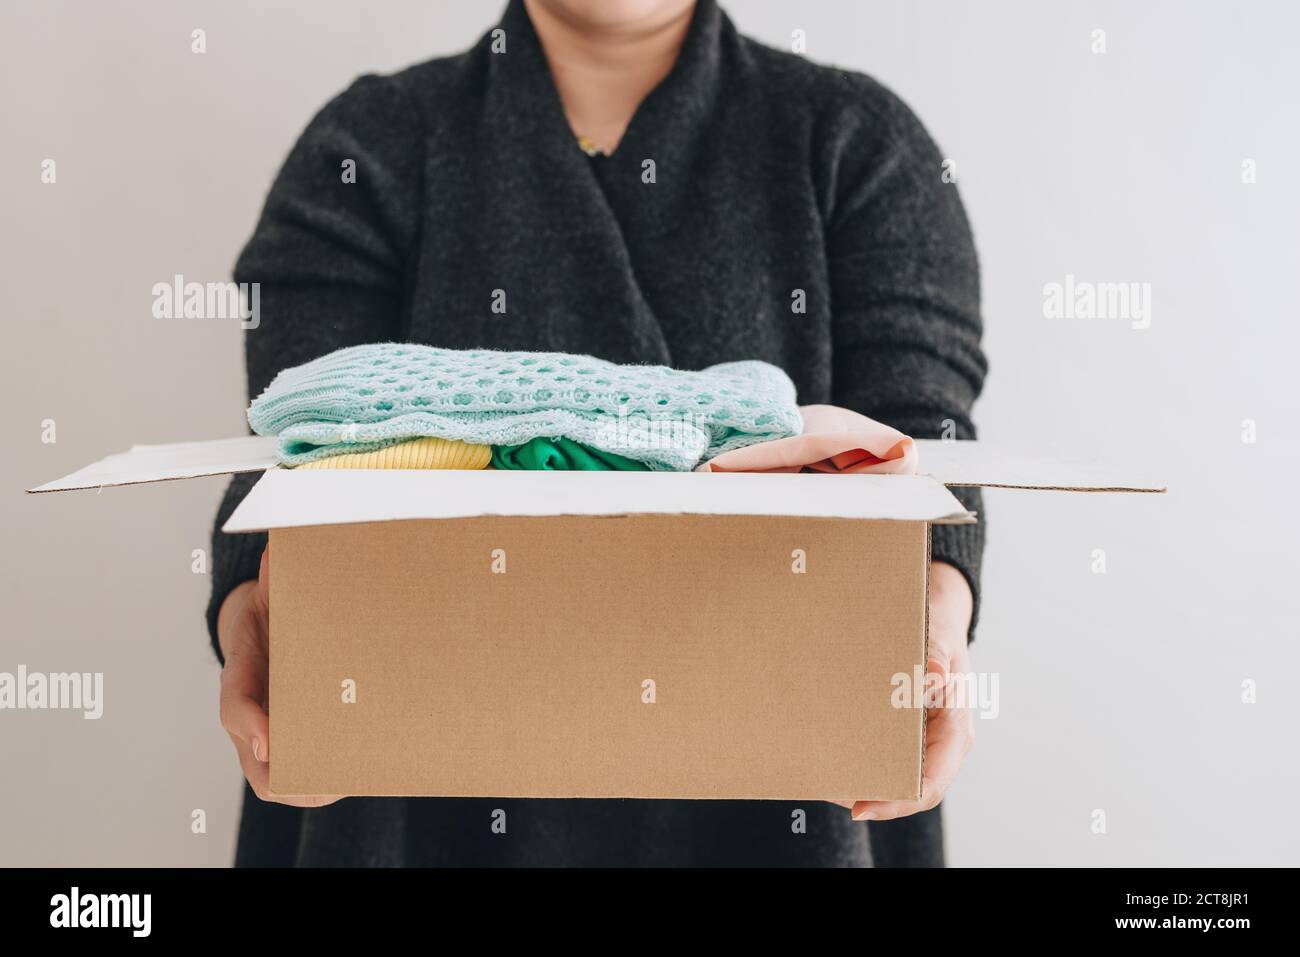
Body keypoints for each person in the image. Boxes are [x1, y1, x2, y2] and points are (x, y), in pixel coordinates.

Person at [211, 0, 986, 867]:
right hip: (411, 789)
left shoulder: (858, 143)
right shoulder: (367, 146)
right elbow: (295, 441)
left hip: (788, 779)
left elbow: (926, 438)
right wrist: (254, 611)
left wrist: (934, 623)